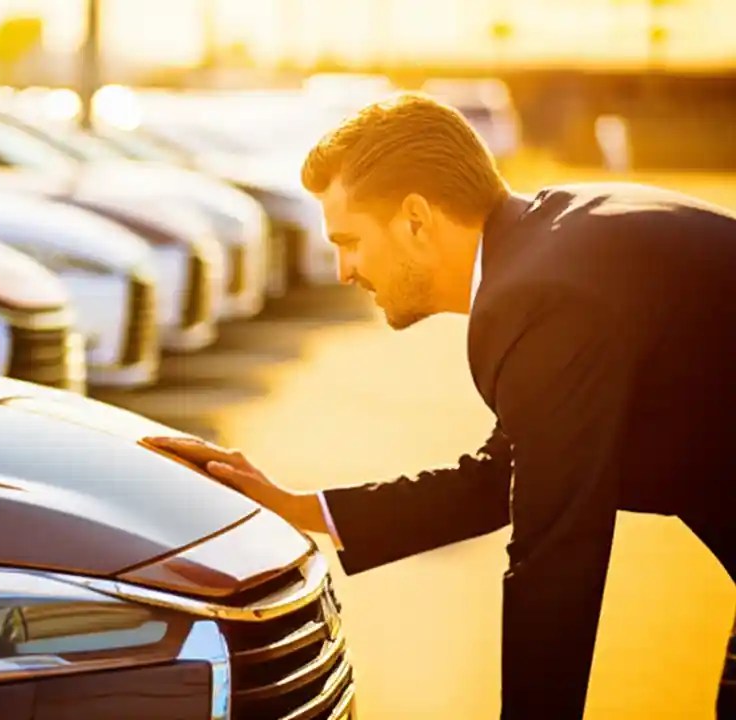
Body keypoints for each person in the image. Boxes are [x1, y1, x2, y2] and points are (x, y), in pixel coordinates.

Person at [146, 93, 736, 719]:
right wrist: (299, 507)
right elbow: (501, 479)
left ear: (416, 220)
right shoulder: (551, 242)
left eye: (350, 240)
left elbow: (557, 552)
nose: (344, 270)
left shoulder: (541, 296)